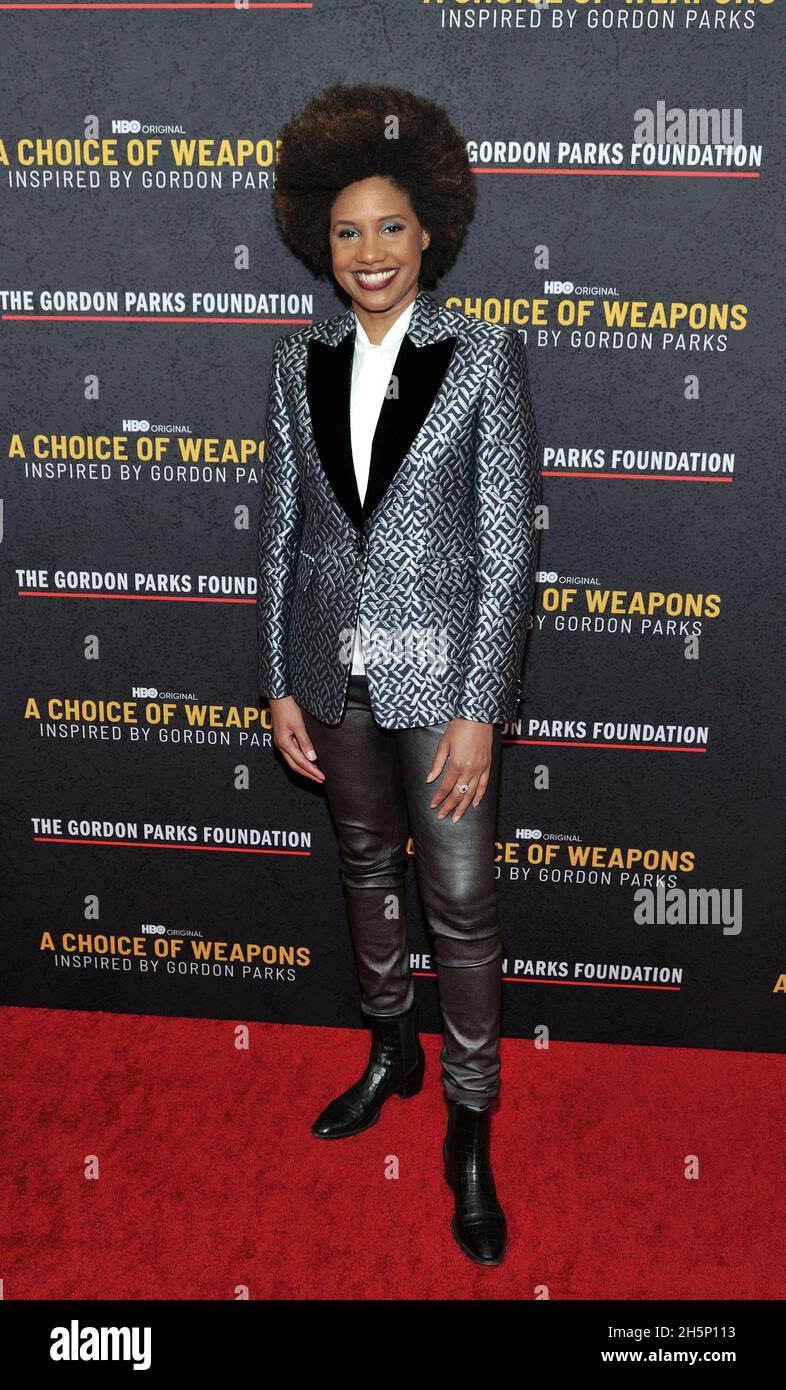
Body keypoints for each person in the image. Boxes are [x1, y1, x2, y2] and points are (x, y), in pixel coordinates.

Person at [257, 82, 540, 1266]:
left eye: (390, 228)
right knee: (366, 861)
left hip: (441, 669)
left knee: (462, 900)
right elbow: (278, 534)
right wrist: (277, 677)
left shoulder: (483, 354)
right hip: (331, 664)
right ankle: (392, 1046)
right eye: (346, 232)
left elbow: (508, 542)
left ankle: (469, 1127)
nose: (369, 251)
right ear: (321, 246)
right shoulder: (294, 362)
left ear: (429, 235)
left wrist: (478, 704)